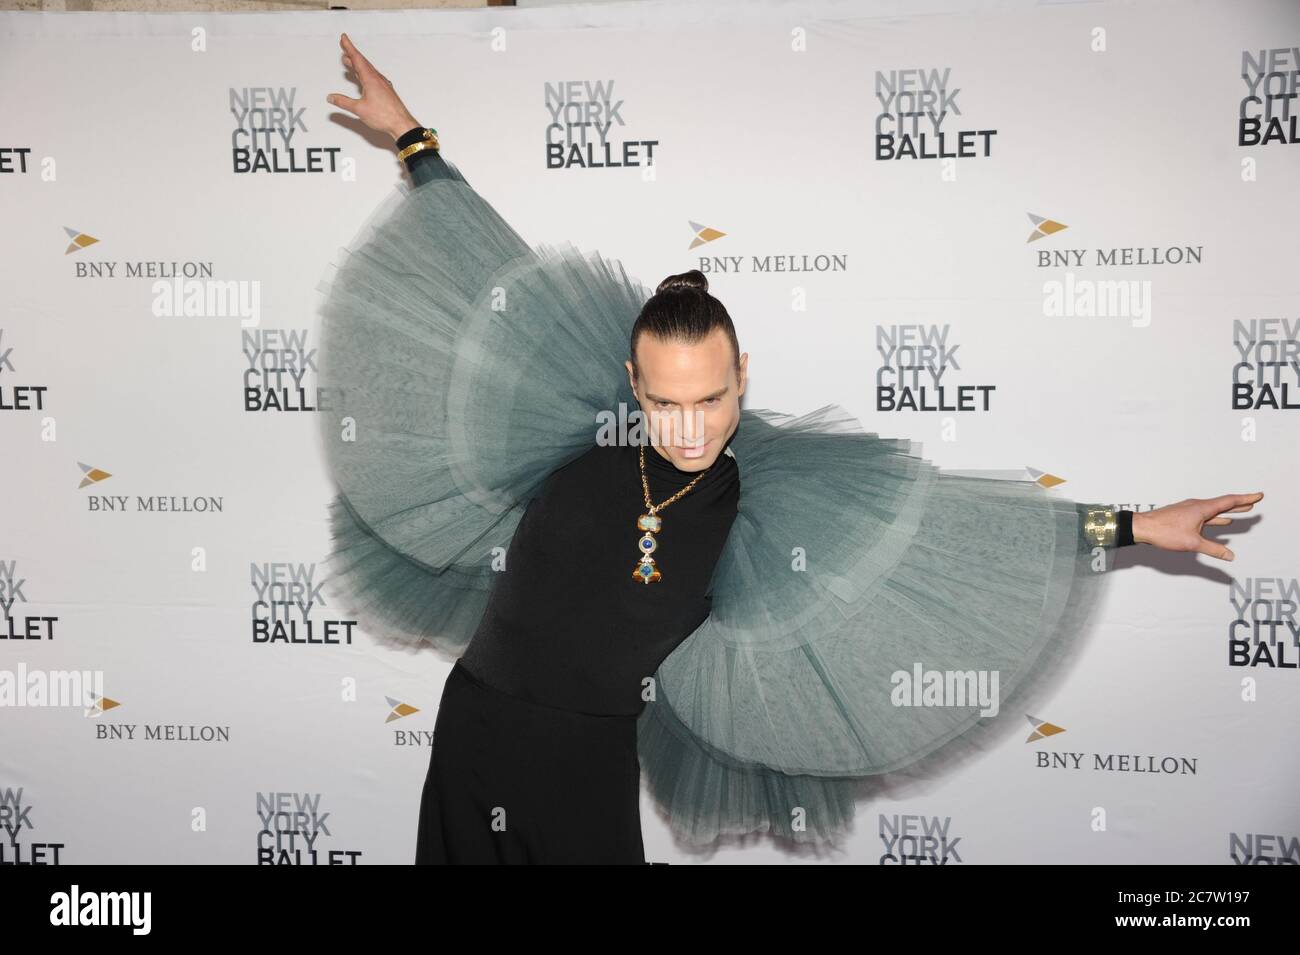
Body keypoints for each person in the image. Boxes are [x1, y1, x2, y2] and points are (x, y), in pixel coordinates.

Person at [320, 33, 1265, 864]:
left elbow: (954, 532)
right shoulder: (571, 428)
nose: (689, 426)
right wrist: (414, 140)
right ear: (632, 382)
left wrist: (1137, 523)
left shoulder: (766, 501)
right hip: (472, 729)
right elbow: (493, 277)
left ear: (743, 379)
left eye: (711, 398)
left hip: (584, 767)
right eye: (662, 402)